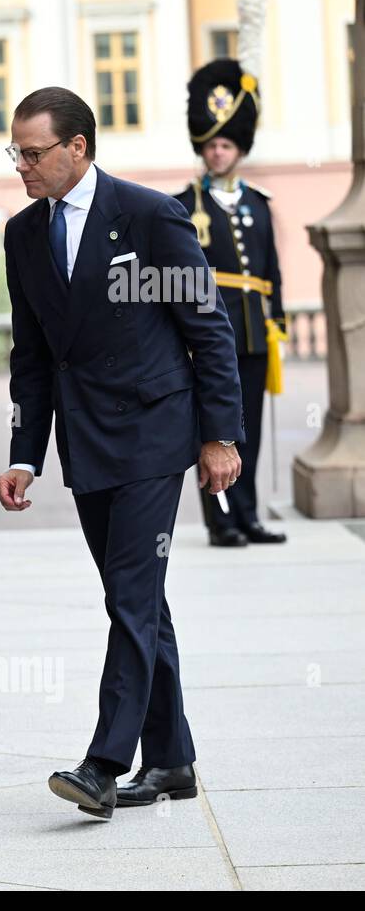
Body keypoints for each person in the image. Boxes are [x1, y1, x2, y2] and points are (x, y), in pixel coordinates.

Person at [0, 87, 244, 819]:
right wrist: (25, 454)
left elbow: (209, 328)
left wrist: (219, 433)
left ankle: (105, 763)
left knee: (132, 597)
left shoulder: (149, 215)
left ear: (77, 147)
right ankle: (171, 759)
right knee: (134, 601)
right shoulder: (21, 235)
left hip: (153, 434)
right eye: (17, 153)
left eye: (33, 153)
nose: (23, 166)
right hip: (85, 442)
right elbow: (32, 356)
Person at [178, 57, 287, 547]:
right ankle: (220, 518)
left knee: (252, 430)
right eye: (210, 145)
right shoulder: (184, 204)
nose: (217, 153)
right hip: (211, 336)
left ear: (239, 148)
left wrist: (277, 320)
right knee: (217, 428)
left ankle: (248, 514)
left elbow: (270, 271)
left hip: (254, 333)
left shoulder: (258, 203)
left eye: (225, 145)